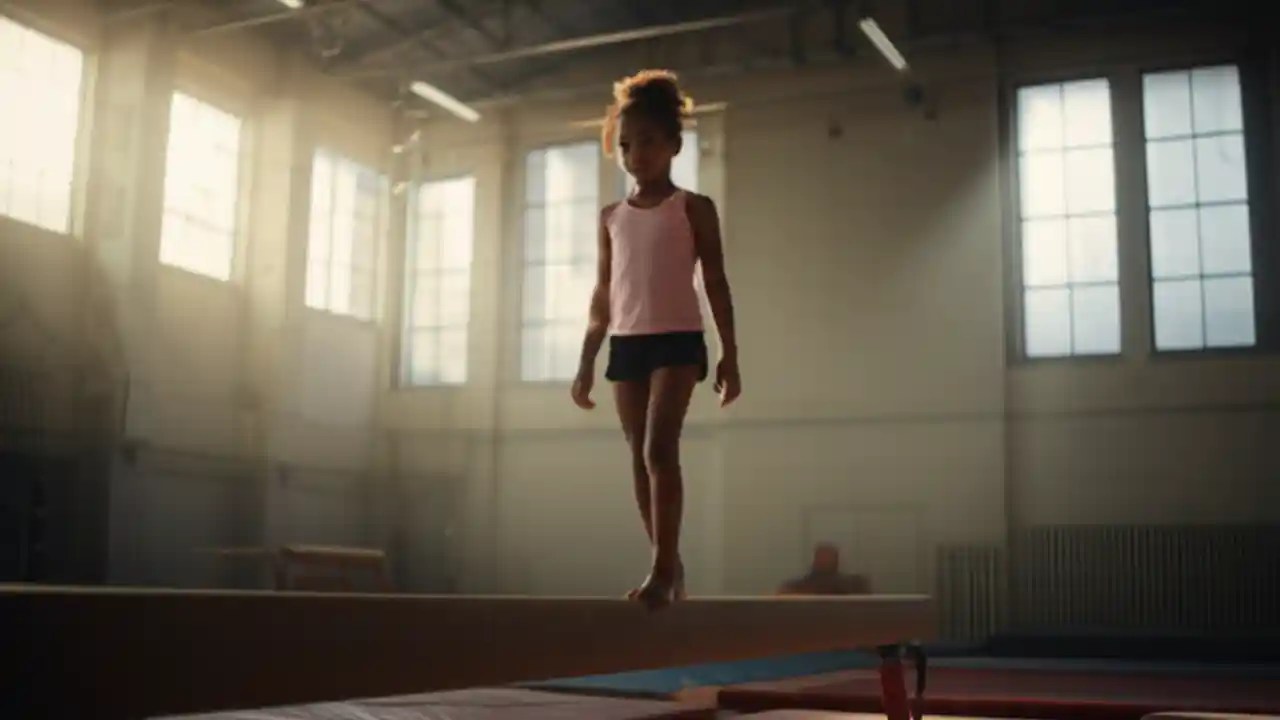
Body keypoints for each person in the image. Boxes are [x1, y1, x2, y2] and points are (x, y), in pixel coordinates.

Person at [571, 69, 741, 610]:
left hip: (678, 340)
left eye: (646, 142)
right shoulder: (611, 218)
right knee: (638, 461)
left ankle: (663, 571)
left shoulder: (693, 208)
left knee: (658, 449)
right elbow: (603, 294)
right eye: (624, 145)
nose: (634, 154)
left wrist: (730, 356)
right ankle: (670, 564)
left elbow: (715, 281)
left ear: (673, 144)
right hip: (628, 343)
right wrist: (585, 360)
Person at [777, 543, 871, 595]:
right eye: (821, 557)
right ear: (815, 560)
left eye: (829, 557)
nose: (825, 561)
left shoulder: (854, 585)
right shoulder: (797, 586)